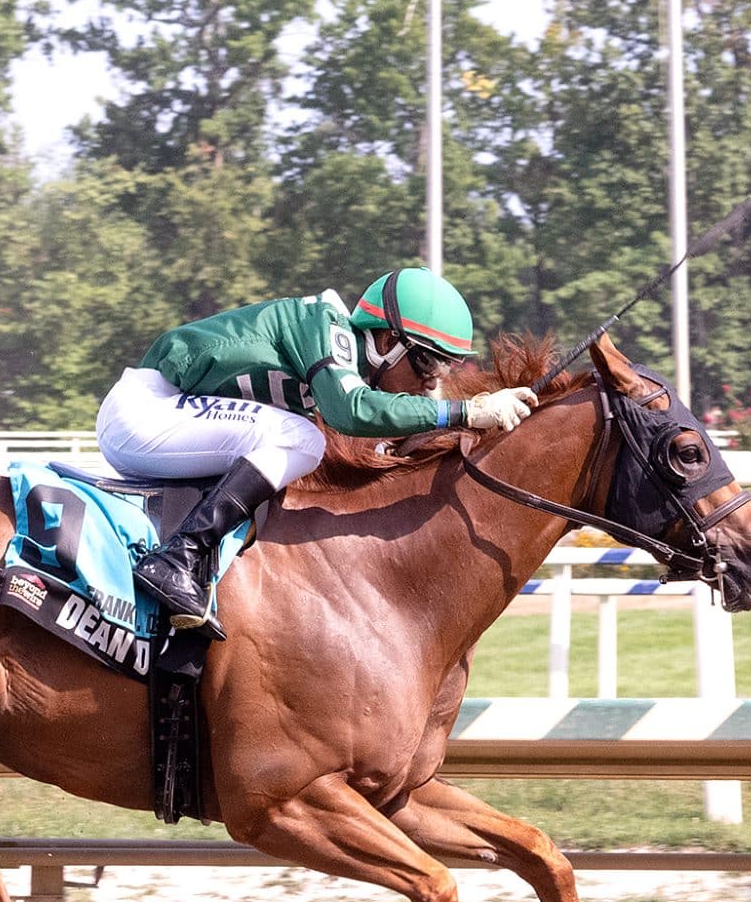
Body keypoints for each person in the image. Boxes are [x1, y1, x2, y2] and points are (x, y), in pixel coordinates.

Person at [97, 266, 541, 632]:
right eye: (428, 361)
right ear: (387, 342)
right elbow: (353, 411)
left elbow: (379, 418)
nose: (433, 382)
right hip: (145, 412)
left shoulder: (340, 355)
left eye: (446, 366)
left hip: (166, 416)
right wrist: (465, 413)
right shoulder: (328, 328)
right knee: (301, 439)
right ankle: (178, 558)